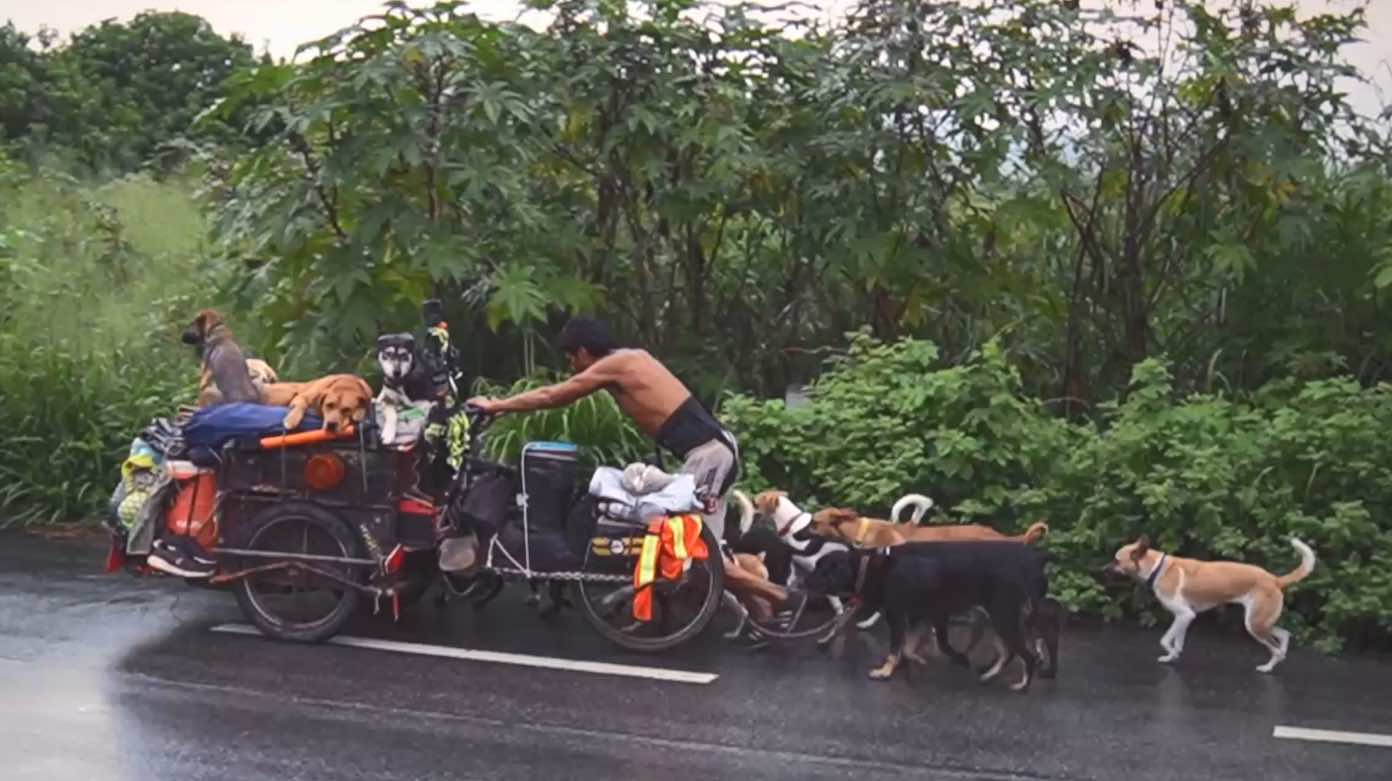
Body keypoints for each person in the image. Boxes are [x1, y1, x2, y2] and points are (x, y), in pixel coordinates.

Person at [467, 317, 797, 620]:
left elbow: (555, 395)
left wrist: (497, 406)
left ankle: (781, 595)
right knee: (702, 553)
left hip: (708, 455)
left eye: (571, 357)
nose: (572, 365)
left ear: (584, 350)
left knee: (695, 552)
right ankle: (765, 615)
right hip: (713, 451)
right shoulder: (632, 357)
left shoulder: (615, 365)